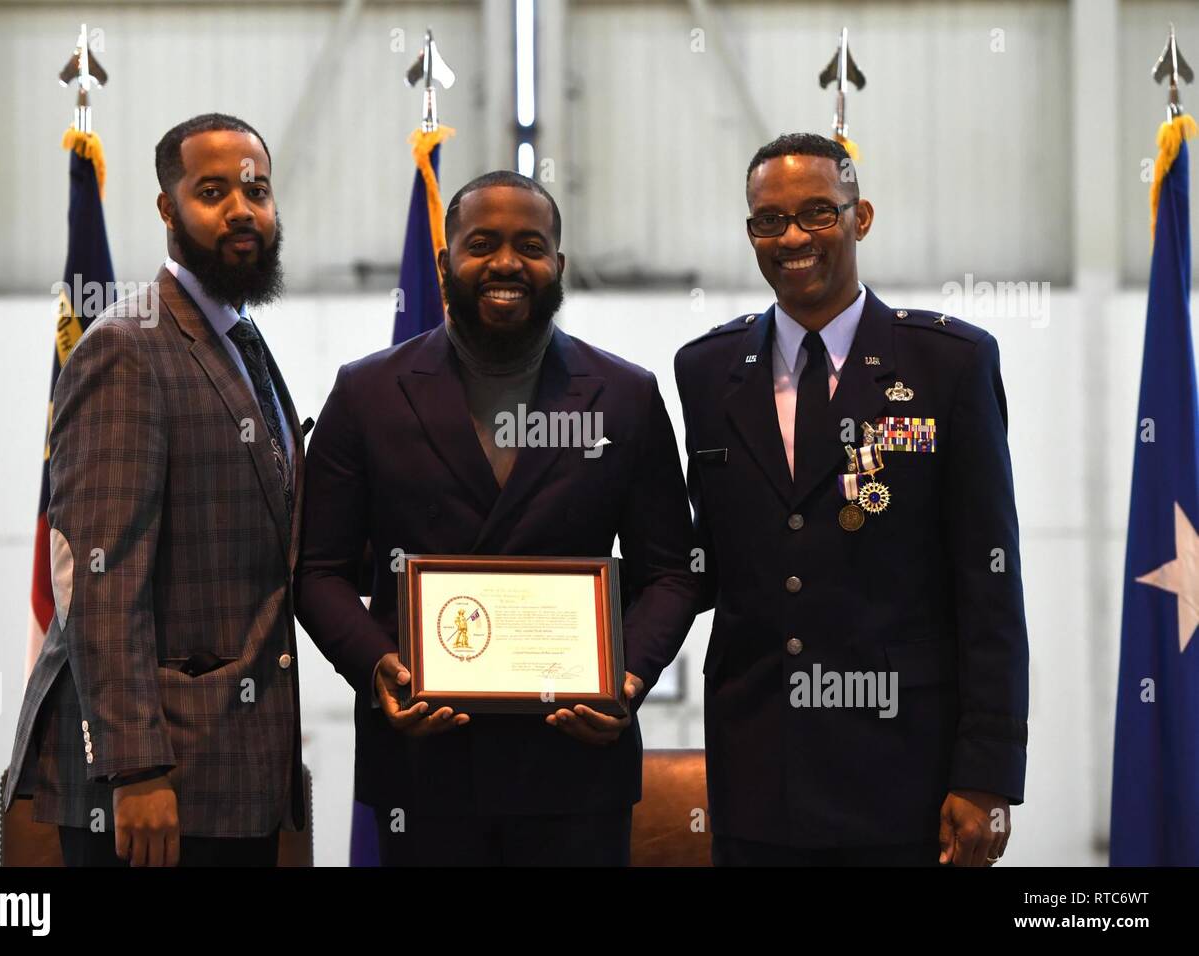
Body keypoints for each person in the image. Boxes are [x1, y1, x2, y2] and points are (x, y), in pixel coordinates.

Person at [297, 171, 700, 865]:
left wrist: (628, 679)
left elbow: (672, 572)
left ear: (558, 265)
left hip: (577, 765)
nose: (507, 263)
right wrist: (375, 666)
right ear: (446, 260)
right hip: (423, 765)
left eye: (530, 245)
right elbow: (317, 570)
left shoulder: (627, 396)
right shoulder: (365, 393)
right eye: (481, 243)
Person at [674, 132, 1029, 866]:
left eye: (817, 214)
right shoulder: (707, 371)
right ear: (750, 233)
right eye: (769, 221)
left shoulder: (947, 365)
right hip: (757, 771)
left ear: (859, 217)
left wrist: (987, 773)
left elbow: (988, 585)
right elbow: (697, 563)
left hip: (903, 772)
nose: (793, 237)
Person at [3, 113, 304, 867]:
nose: (242, 209)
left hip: (234, 778)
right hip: (150, 792)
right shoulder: (127, 348)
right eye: (212, 192)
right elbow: (102, 580)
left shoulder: (243, 340)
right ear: (167, 209)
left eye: (256, 189)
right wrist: (136, 770)